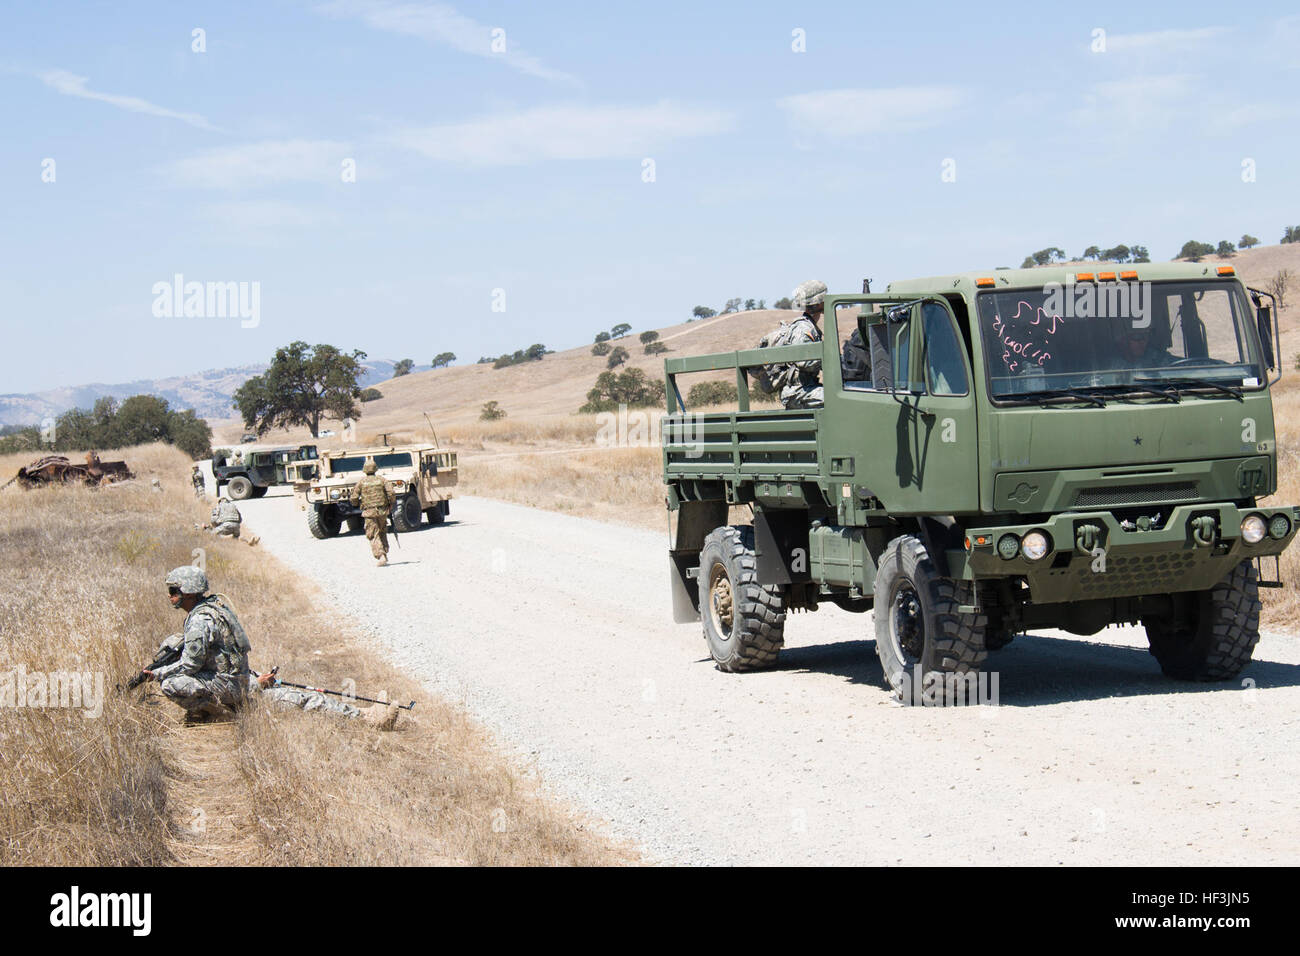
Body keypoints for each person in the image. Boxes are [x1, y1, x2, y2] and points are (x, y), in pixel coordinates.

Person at [143, 567, 253, 722]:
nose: (169, 595)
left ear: (188, 592)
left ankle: (222, 714)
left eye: (174, 590)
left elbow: (190, 665)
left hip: (229, 685)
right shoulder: (214, 606)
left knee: (170, 683)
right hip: (239, 680)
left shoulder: (199, 620)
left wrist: (157, 673)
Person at [763, 280, 827, 408]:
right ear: (819, 302)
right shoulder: (803, 328)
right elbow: (803, 362)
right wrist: (828, 358)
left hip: (807, 388)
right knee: (840, 400)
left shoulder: (810, 326)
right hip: (797, 391)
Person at [349, 459, 395, 566]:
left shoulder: (361, 482)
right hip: (382, 511)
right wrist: (390, 504)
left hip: (369, 512)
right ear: (376, 469)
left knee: (373, 534)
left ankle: (381, 556)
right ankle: (385, 552)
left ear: (364, 470)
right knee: (382, 531)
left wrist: (355, 504)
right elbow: (391, 493)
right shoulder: (382, 480)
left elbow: (354, 497)